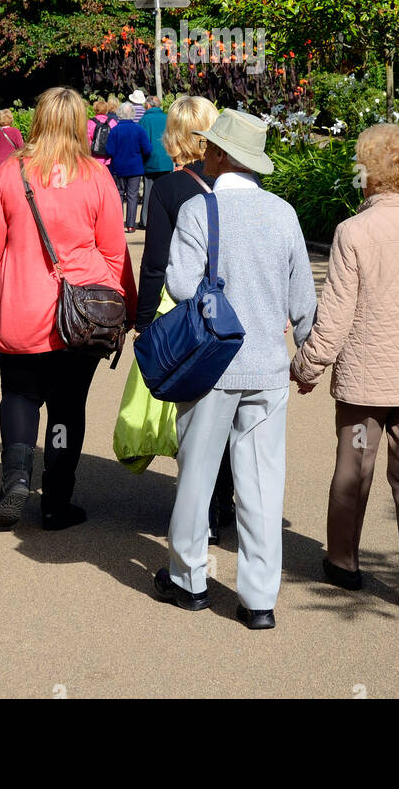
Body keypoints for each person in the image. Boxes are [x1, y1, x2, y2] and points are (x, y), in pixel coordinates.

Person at [290, 123, 399, 619]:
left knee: (354, 470)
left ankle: (344, 563)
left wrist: (308, 365)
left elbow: (337, 315)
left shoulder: (353, 232)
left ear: (368, 172)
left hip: (365, 380)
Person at [155, 108, 317, 630]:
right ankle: (259, 600)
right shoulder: (285, 213)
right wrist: (307, 357)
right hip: (267, 368)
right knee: (262, 484)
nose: (203, 152)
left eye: (210, 146)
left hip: (211, 365)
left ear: (224, 156)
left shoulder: (201, 212)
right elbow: (302, 301)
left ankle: (189, 580)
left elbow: (180, 286)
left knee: (197, 477)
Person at [0, 86, 137, 531]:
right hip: (80, 314)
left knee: (19, 395)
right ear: (81, 123)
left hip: (19, 305)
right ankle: (55, 503)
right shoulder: (97, 177)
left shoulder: (11, 172)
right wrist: (129, 306)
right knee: (66, 407)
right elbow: (115, 252)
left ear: (38, 119)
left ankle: (16, 478)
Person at [135, 95, 233, 542]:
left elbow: (155, 262)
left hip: (189, 316)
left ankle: (200, 508)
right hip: (234, 311)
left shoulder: (169, 190)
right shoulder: (235, 184)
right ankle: (225, 500)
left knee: (194, 408)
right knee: (233, 408)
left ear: (173, 134)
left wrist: (142, 319)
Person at [105, 103, 151, 233]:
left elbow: (109, 150)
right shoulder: (138, 130)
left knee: (119, 195)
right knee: (132, 196)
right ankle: (130, 225)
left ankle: (118, 223)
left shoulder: (114, 131)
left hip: (118, 167)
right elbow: (147, 149)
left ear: (119, 113)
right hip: (135, 168)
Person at [137, 95, 173, 229]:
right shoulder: (167, 118)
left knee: (148, 193)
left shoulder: (144, 120)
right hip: (166, 160)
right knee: (166, 193)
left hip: (150, 161)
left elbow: (142, 142)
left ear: (148, 106)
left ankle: (146, 221)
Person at [87, 97, 118, 166]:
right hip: (108, 159)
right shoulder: (112, 122)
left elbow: (87, 141)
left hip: (94, 158)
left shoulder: (90, 122)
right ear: (106, 110)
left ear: (95, 110)